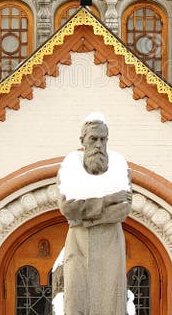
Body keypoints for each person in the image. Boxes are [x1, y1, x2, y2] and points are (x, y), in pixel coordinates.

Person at [57, 113, 132, 315]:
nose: (99, 145)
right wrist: (108, 200)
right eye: (93, 139)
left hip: (111, 247)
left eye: (103, 139)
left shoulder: (119, 169)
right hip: (78, 245)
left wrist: (84, 217)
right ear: (83, 141)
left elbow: (123, 210)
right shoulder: (70, 168)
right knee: (76, 301)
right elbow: (67, 208)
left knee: (110, 303)